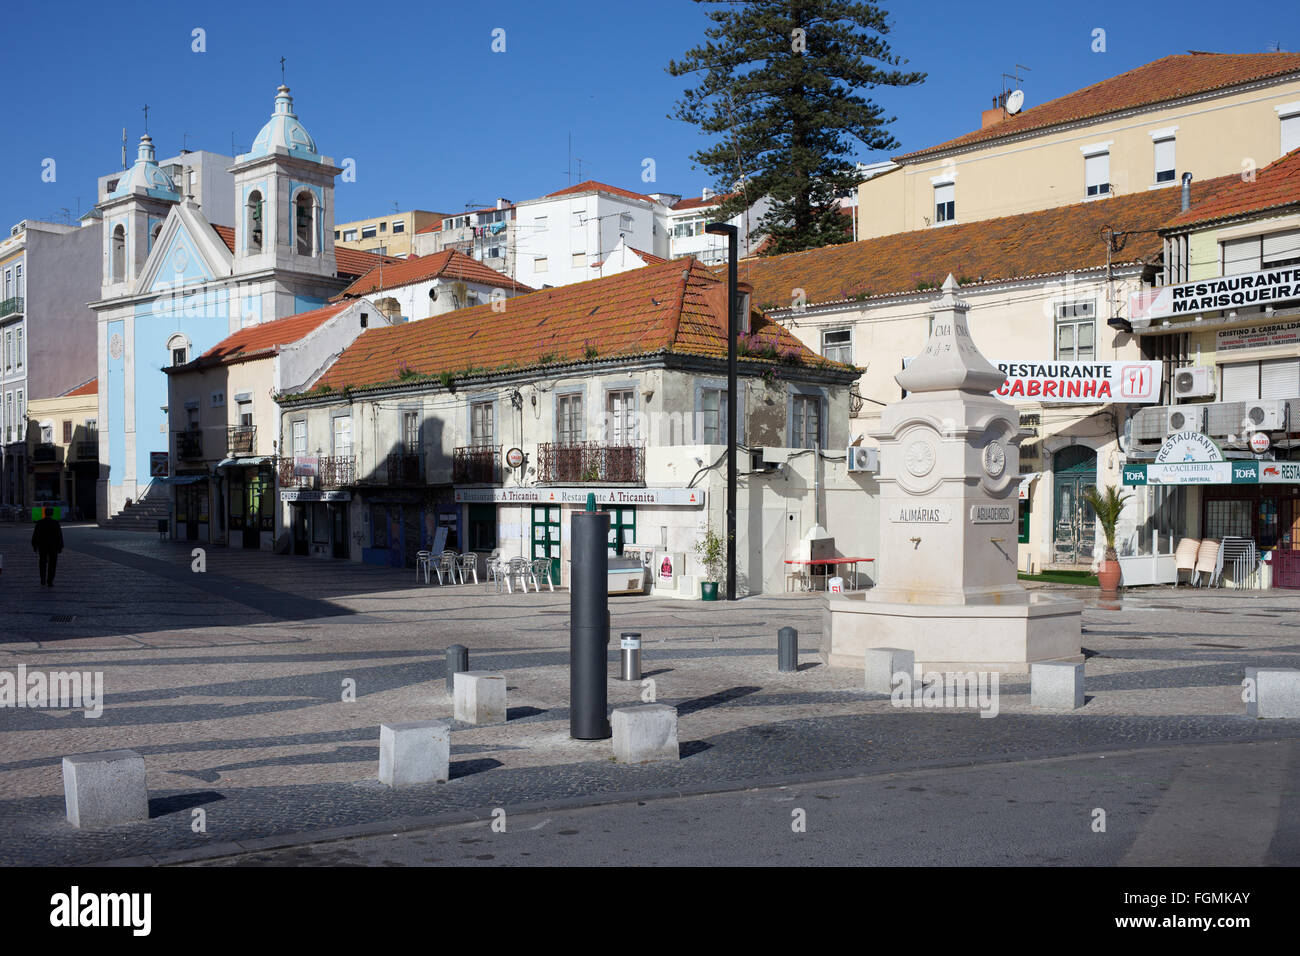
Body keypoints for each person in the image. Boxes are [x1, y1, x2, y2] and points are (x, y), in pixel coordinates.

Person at [31, 507, 64, 588]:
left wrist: (35, 545)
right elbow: (59, 536)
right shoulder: (55, 523)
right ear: (52, 513)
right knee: (52, 564)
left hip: (42, 546)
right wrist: (60, 547)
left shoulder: (39, 523)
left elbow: (35, 535)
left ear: (44, 513)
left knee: (42, 562)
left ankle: (42, 579)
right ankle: (50, 581)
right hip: (53, 546)